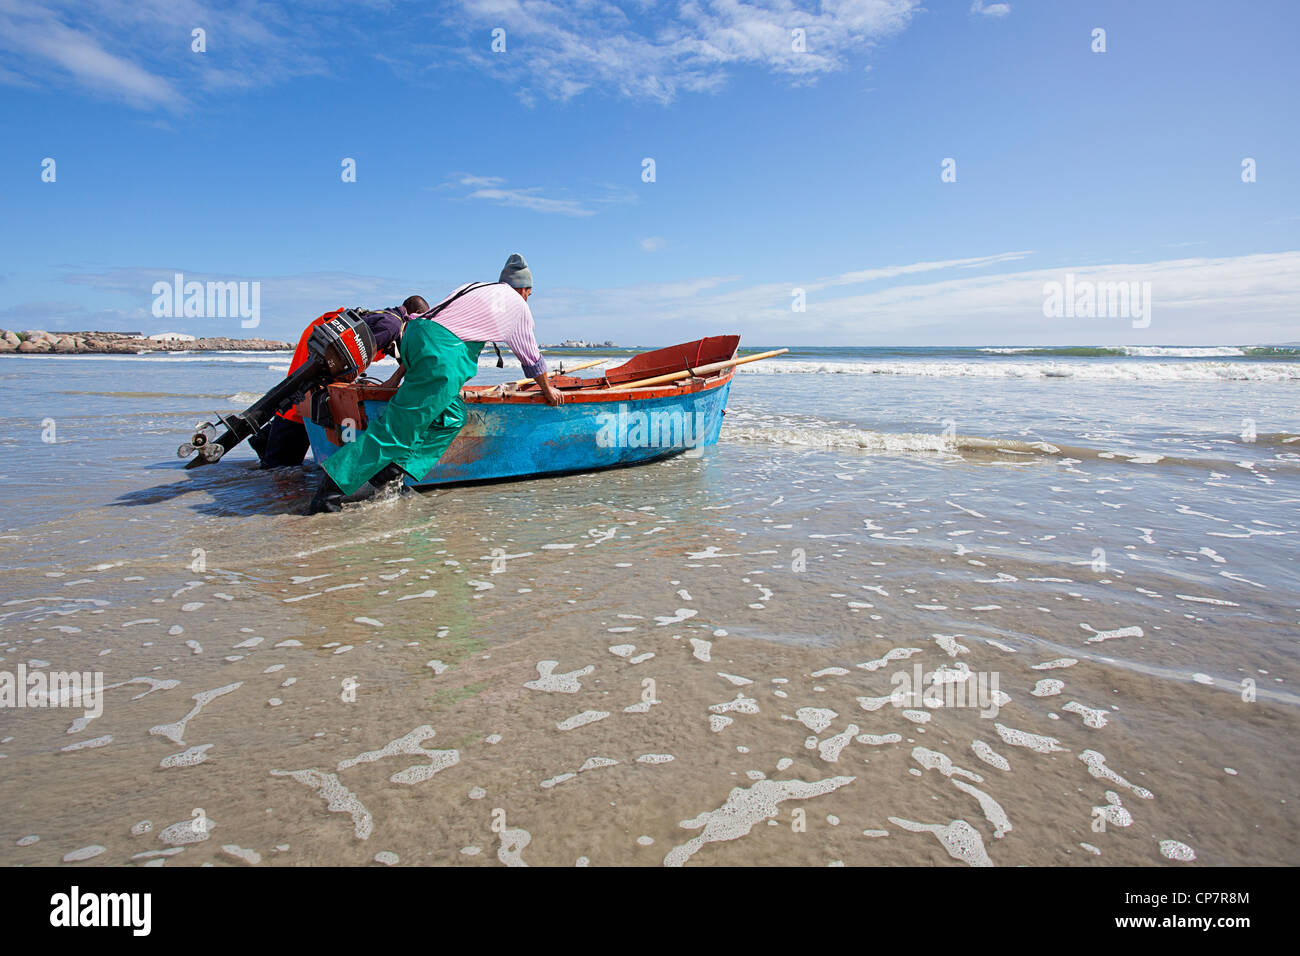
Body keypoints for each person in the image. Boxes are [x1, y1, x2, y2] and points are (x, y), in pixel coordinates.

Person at [306, 254, 562, 514]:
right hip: (441, 358)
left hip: (417, 338)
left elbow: (430, 326)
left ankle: (390, 475)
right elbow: (530, 357)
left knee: (452, 417)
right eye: (529, 294)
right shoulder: (517, 306)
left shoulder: (474, 288)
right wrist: (547, 390)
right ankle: (328, 495)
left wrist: (397, 376)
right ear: (526, 290)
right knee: (395, 432)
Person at [251, 296, 429, 469]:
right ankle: (277, 461)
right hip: (323, 352)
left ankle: (265, 440)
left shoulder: (389, 319)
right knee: (301, 399)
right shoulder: (391, 326)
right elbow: (356, 355)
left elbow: (394, 353)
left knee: (298, 397)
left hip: (316, 338)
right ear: (417, 314)